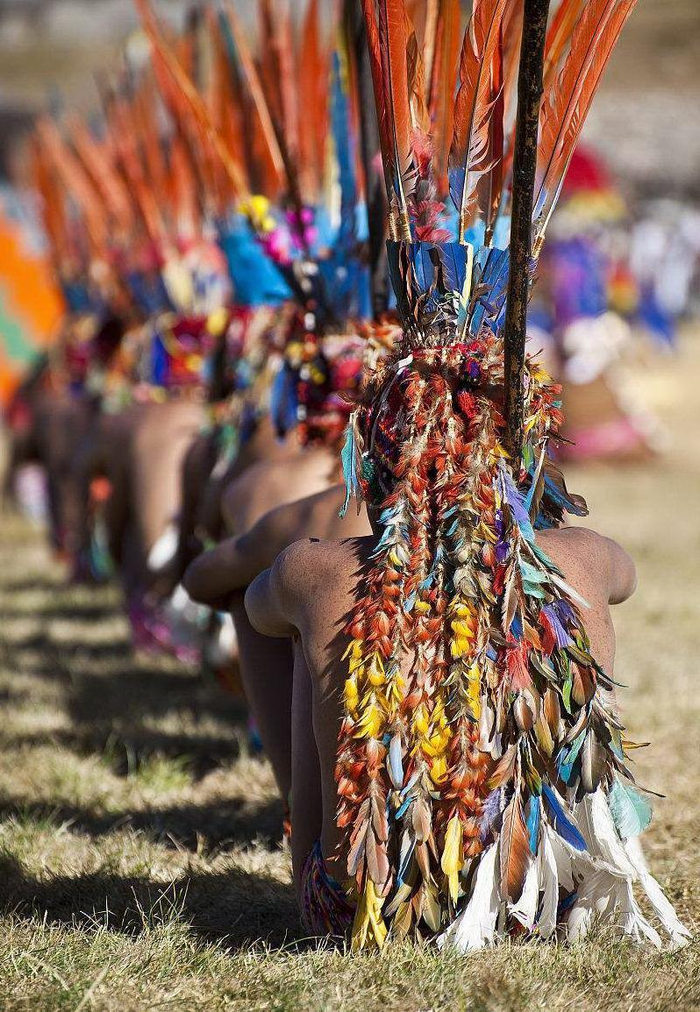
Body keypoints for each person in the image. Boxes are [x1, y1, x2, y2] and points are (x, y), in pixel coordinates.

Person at [245, 0, 689, 952]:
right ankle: (539, 864)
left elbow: (245, 607)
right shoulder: (586, 554)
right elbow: (622, 579)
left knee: (295, 634)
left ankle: (316, 848)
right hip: (543, 911)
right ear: (524, 446)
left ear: (378, 441)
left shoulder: (315, 566)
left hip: (359, 917)